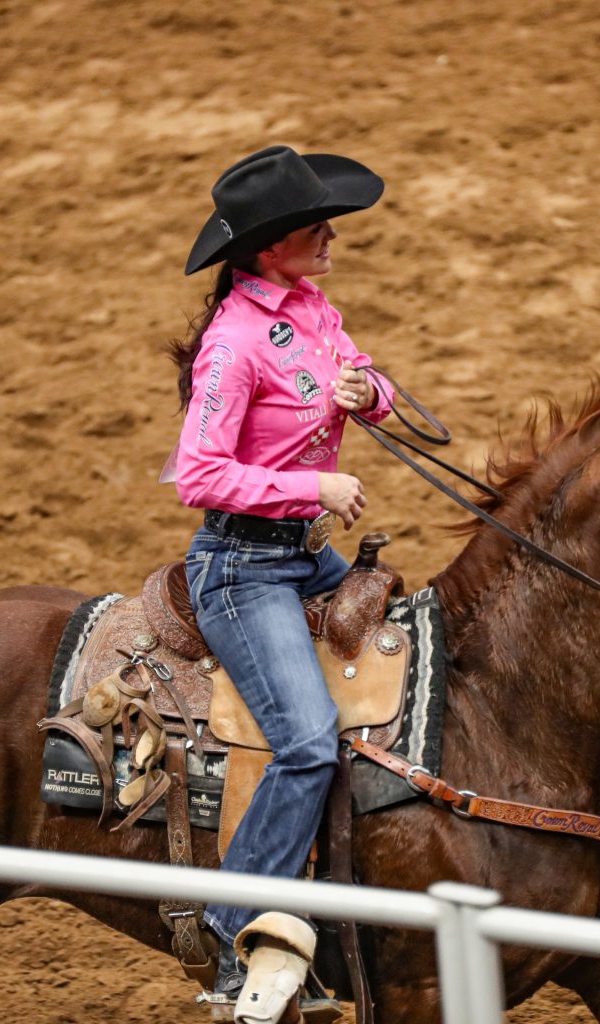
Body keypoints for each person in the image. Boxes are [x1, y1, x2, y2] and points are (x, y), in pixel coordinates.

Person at [163, 145, 393, 1023]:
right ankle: (229, 928)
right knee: (304, 742)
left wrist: (367, 392)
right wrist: (315, 487)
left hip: (302, 554)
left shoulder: (309, 306)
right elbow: (199, 474)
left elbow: (372, 378)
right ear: (268, 249)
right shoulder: (231, 347)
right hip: (243, 568)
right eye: (314, 227)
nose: (332, 234)